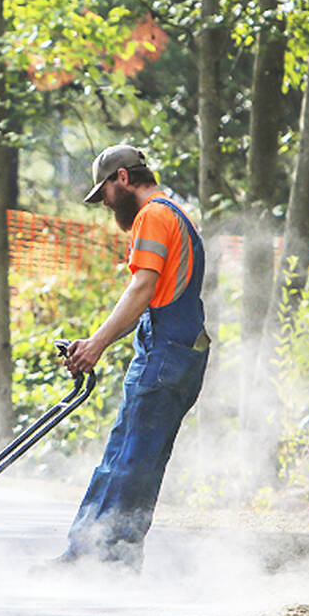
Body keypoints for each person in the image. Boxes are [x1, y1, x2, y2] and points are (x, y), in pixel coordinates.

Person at [56, 144, 210, 572]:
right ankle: (115, 560)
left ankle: (91, 560)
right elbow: (156, 295)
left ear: (122, 178)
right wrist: (98, 341)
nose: (105, 203)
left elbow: (142, 288)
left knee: (125, 459)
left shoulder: (153, 216)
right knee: (139, 462)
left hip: (165, 356)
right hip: (181, 355)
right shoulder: (178, 216)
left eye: (104, 192)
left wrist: (95, 344)